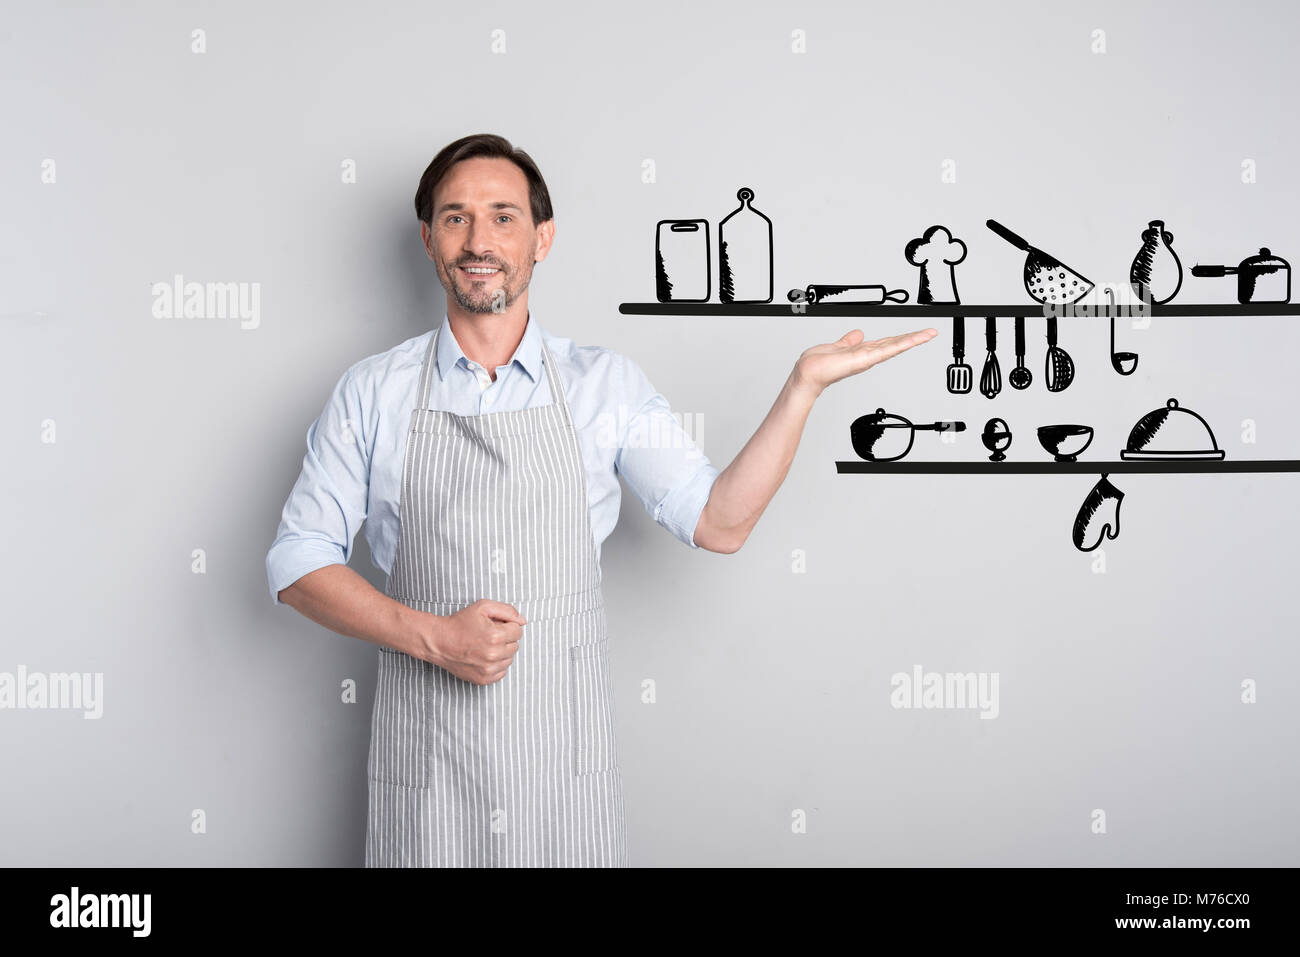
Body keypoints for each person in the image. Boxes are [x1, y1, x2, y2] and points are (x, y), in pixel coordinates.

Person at [266, 133, 936, 867]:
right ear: (428, 241)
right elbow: (298, 562)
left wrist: (800, 390)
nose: (479, 239)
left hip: (563, 766)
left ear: (542, 238)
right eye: (455, 218)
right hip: (429, 769)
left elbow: (717, 522)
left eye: (503, 216)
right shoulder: (373, 391)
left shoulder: (603, 385)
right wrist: (433, 637)